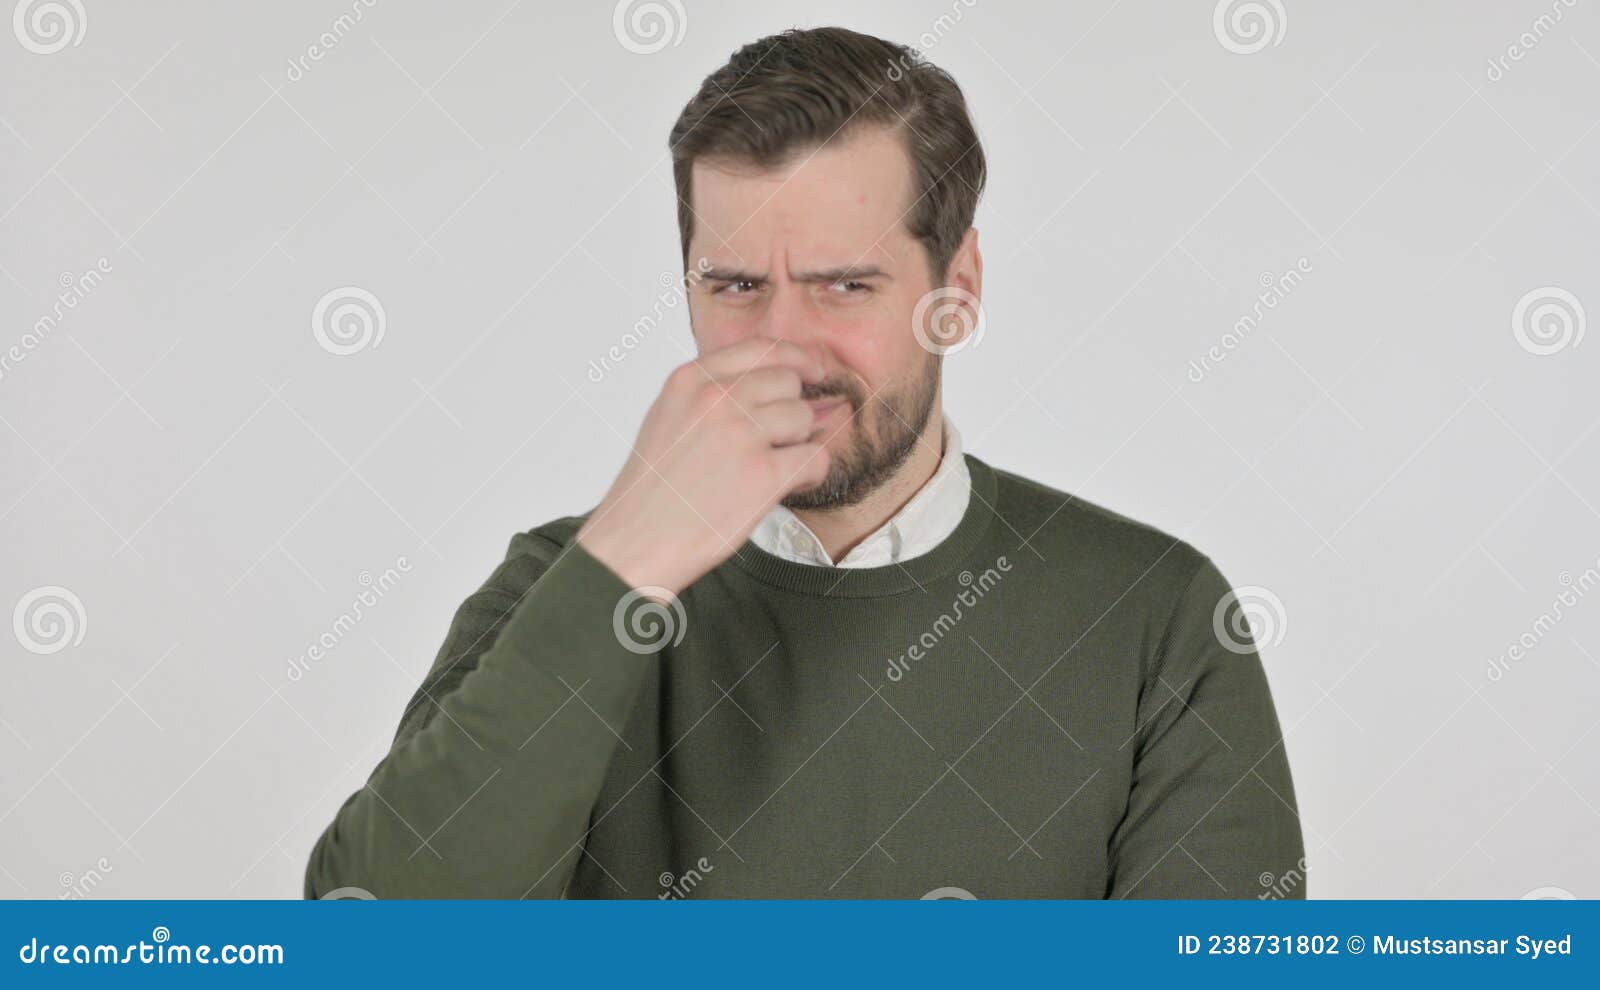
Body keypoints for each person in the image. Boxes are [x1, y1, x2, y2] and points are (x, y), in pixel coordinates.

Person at [304, 25, 1304, 900]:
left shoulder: (1154, 617)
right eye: (734, 284)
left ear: (956, 290)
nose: (779, 346)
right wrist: (623, 564)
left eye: (843, 286)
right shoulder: (557, 587)